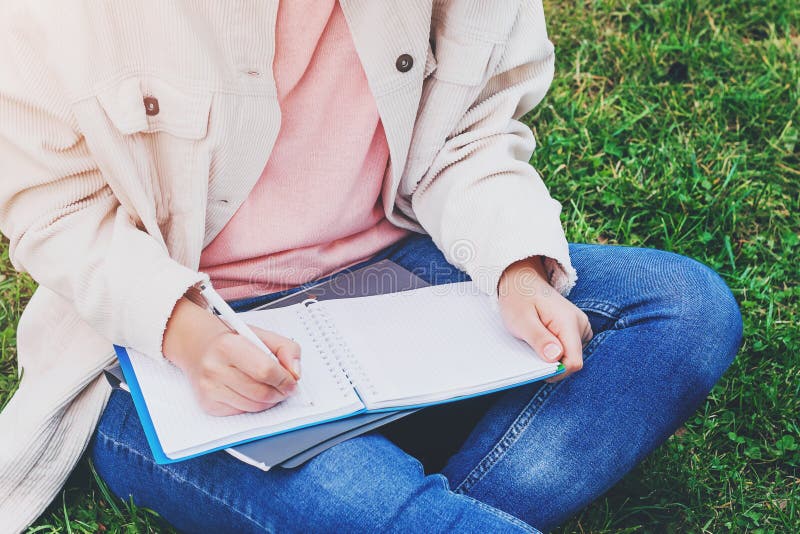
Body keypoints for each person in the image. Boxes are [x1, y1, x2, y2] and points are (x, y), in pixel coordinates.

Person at [0, 1, 742, 532]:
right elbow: (53, 209)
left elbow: (471, 129)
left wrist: (516, 268)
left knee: (680, 307)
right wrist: (190, 335)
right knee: (355, 497)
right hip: (167, 352)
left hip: (393, 282)